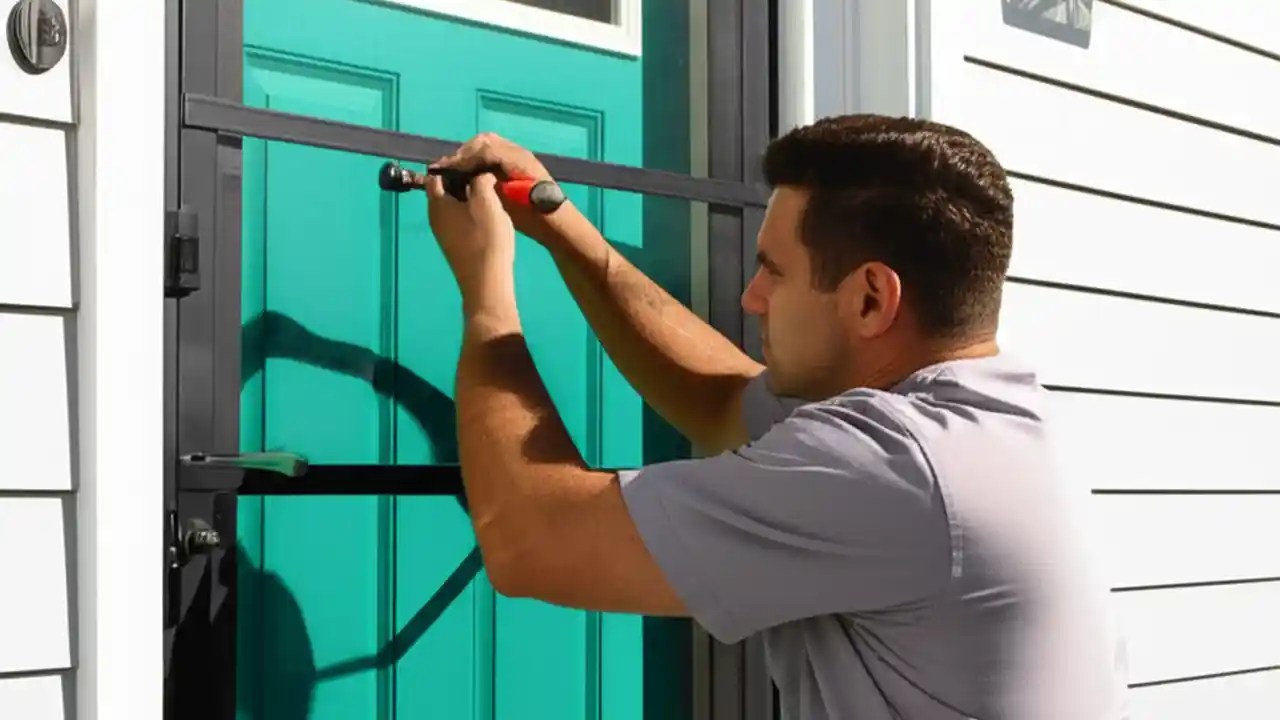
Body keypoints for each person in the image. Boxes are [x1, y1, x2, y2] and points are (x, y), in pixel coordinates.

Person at [421, 114, 1128, 719]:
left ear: (870, 300)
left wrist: (485, 288)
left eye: (774, 271)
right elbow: (722, 397)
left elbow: (531, 540)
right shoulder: (990, 427)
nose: (750, 298)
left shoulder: (898, 465)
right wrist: (560, 227)